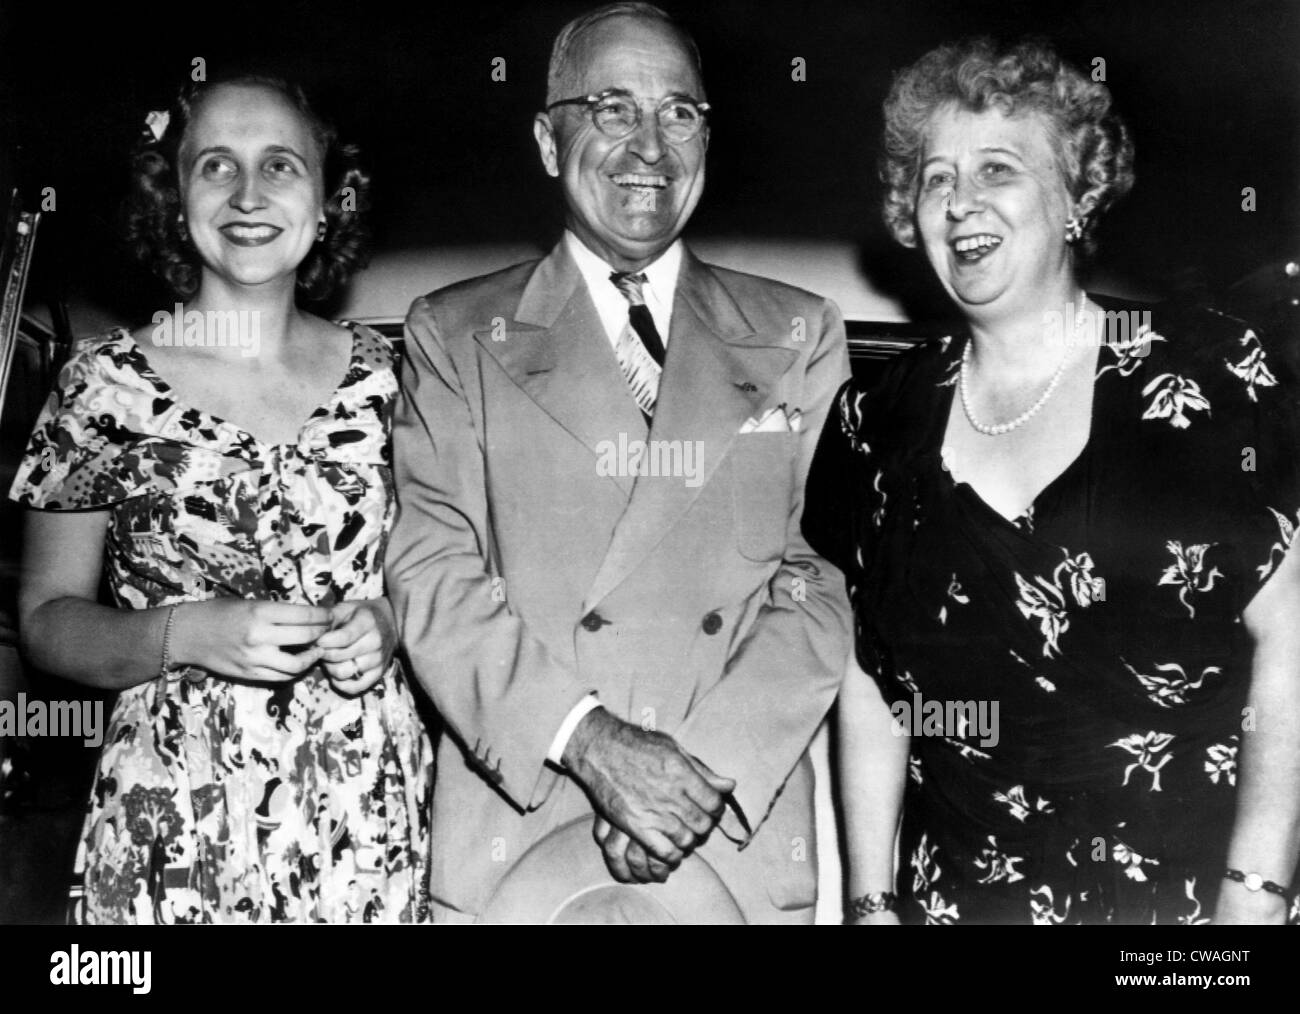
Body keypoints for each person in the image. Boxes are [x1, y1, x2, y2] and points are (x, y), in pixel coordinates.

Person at [803, 36, 1300, 925]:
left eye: (998, 169)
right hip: (959, 899)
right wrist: (871, 904)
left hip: (1184, 915)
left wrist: (1253, 904)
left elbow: (1291, 648)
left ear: (1075, 198)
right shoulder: (873, 422)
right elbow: (872, 685)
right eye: (935, 179)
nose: (961, 204)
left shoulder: (1209, 376)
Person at [387, 2, 851, 924]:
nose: (651, 147)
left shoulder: (799, 332)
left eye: (680, 113)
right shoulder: (452, 334)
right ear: (548, 140)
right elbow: (432, 576)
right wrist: (595, 747)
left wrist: (690, 780)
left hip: (729, 827)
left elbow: (822, 577)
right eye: (612, 108)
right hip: (523, 819)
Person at [9, 75, 433, 923]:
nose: (248, 195)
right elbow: (47, 621)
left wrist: (388, 622)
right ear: (173, 198)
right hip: (173, 819)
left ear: (327, 199)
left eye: (280, 165)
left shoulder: (398, 379)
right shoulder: (101, 387)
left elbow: (453, 577)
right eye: (215, 166)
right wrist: (185, 633)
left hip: (363, 815)